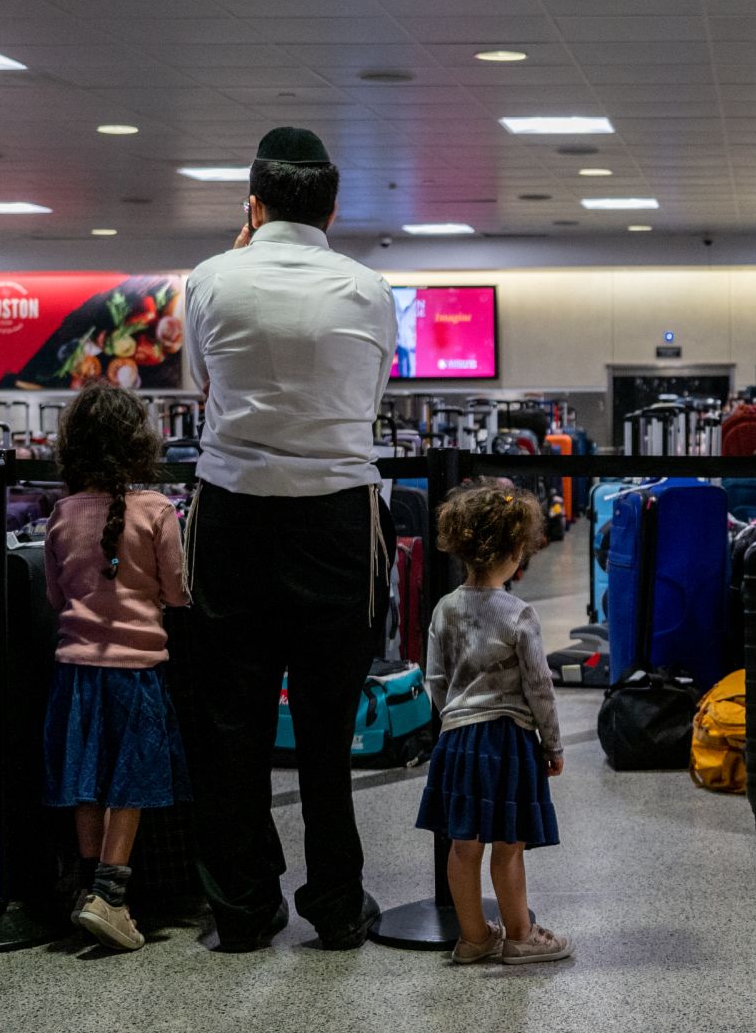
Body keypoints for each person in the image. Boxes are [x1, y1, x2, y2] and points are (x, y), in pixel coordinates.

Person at [183, 126, 397, 953]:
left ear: (253, 203)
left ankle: (241, 906)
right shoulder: (368, 288)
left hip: (232, 513)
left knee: (232, 722)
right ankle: (337, 904)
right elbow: (369, 397)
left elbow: (202, 385)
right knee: (326, 728)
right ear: (335, 209)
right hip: (338, 520)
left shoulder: (210, 279)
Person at [41, 385, 191, 951]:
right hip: (138, 674)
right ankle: (112, 897)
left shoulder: (60, 514)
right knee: (130, 783)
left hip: (74, 673)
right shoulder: (157, 510)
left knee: (86, 779)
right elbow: (177, 595)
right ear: (138, 443)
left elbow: (57, 597)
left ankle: (84, 890)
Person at [418, 482, 572, 966]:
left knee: (463, 845)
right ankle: (520, 935)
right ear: (512, 553)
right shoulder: (518, 614)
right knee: (508, 845)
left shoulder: (445, 608)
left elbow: (435, 679)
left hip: (458, 737)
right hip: (508, 739)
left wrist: (455, 721)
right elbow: (538, 686)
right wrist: (553, 743)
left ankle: (474, 937)